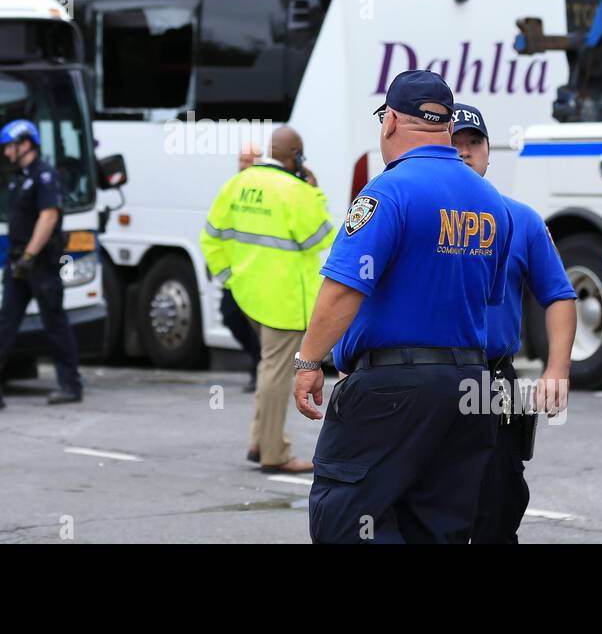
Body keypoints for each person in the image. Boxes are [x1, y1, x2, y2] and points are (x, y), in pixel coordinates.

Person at [294, 71, 513, 543]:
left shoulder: (387, 191)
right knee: (438, 528)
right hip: (468, 387)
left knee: (345, 518)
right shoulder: (491, 202)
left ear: (390, 120)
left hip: (392, 387)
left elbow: (343, 288)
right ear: (447, 125)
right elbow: (485, 298)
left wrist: (309, 360)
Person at [451, 103, 576, 544]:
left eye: (474, 143)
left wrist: (557, 368)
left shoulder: (519, 220)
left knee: (498, 502)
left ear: (488, 153)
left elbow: (559, 295)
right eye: (455, 144)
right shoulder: (412, 208)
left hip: (491, 380)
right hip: (428, 375)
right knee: (427, 505)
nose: (465, 153)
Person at [201, 126, 334, 474]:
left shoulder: (239, 183)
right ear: (295, 156)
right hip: (284, 300)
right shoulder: (296, 191)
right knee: (277, 373)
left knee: (266, 366)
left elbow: (211, 236)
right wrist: (315, 194)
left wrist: (230, 278)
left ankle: (259, 441)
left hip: (248, 294)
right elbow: (319, 237)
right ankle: (275, 453)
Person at [0, 118, 83, 410]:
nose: (5, 153)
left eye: (9, 147)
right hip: (19, 261)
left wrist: (30, 255)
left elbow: (49, 216)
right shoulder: (19, 177)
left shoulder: (44, 176)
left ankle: (71, 385)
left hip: (39, 262)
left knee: (54, 323)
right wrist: (21, 258)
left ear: (25, 144)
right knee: (5, 323)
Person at [220, 142, 265, 393]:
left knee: (261, 326)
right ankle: (259, 364)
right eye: (241, 160)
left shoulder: (266, 192)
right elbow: (217, 230)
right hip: (237, 275)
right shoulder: (232, 190)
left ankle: (259, 370)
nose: (243, 165)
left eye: (249, 160)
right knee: (231, 315)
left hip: (261, 276)